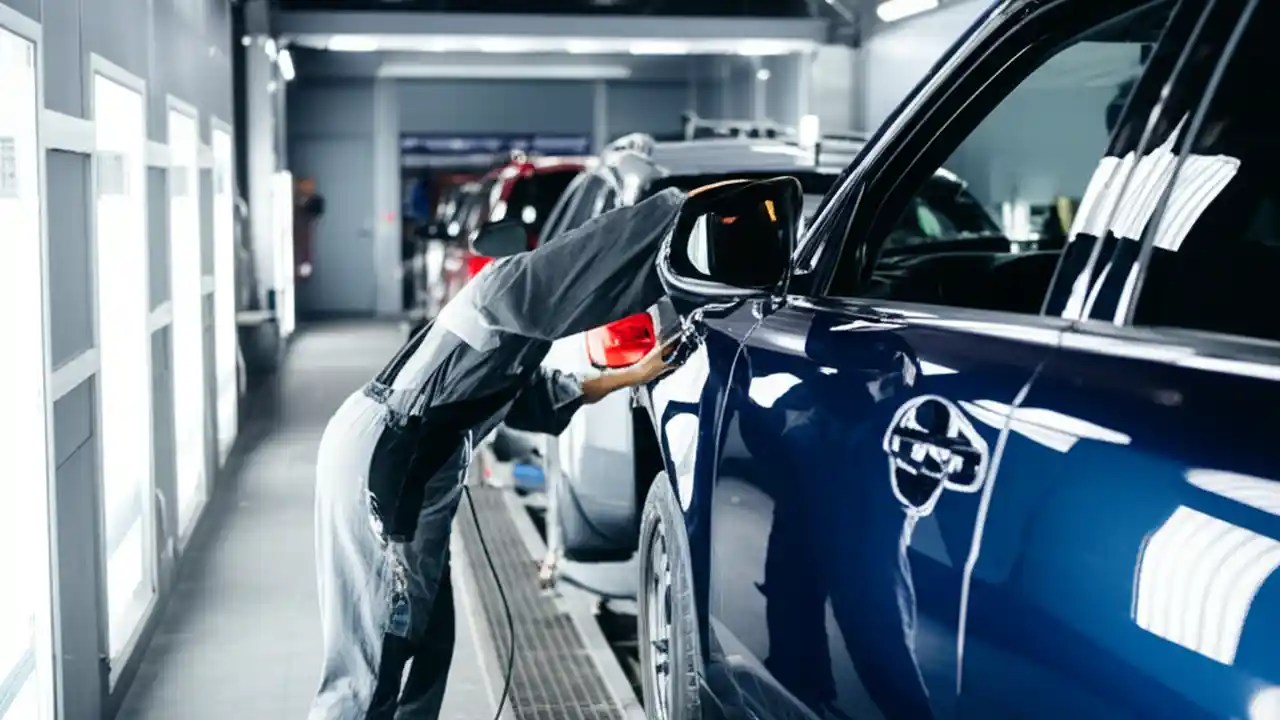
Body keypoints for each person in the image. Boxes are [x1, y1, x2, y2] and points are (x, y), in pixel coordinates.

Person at [309, 187, 687, 720]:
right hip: (393, 456)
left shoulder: (513, 338)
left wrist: (631, 373)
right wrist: (679, 212)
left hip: (408, 452)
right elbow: (596, 253)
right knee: (382, 643)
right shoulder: (504, 290)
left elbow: (536, 397)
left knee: (429, 638)